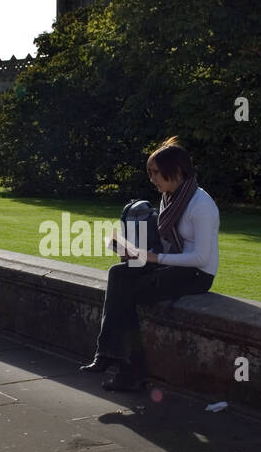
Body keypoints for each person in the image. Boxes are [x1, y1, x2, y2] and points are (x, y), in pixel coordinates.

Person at [80, 136, 220, 392]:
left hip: (196, 275)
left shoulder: (202, 205)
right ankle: (109, 354)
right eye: (150, 173)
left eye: (155, 172)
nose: (152, 179)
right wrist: (132, 252)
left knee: (128, 292)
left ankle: (127, 367)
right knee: (119, 273)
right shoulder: (170, 197)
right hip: (173, 265)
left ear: (175, 171)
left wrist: (152, 258)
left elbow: (201, 257)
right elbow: (167, 244)